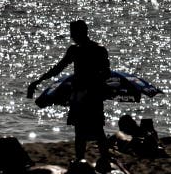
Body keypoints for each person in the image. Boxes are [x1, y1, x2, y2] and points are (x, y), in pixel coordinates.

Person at [27, 20, 111, 171]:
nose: (71, 35)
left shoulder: (92, 49)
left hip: (89, 95)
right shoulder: (86, 49)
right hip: (84, 95)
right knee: (87, 130)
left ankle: (97, 160)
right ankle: (86, 160)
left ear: (82, 32)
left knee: (93, 130)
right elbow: (58, 69)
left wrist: (91, 83)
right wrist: (39, 80)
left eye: (73, 32)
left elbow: (105, 73)